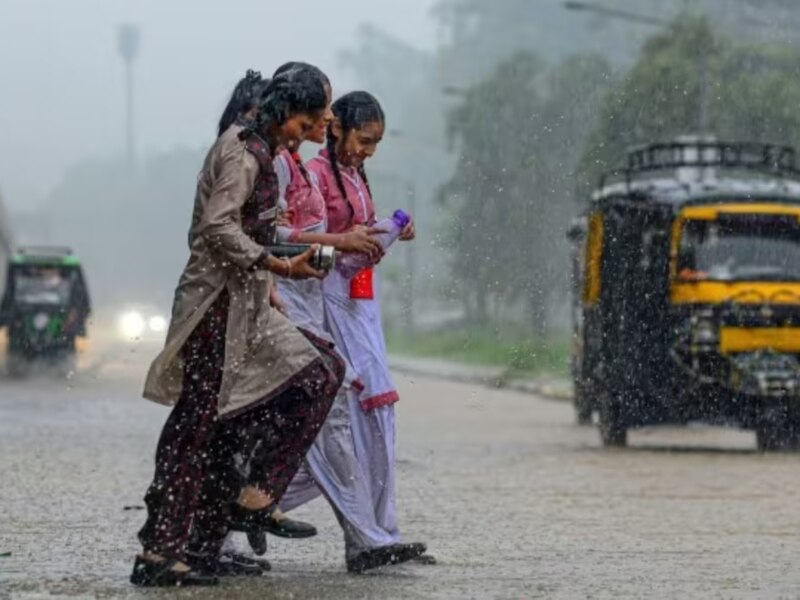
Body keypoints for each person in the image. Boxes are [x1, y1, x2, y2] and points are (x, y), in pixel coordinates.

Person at [131, 69, 344, 587]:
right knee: (197, 425)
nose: (308, 131)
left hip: (247, 305)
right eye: (305, 120)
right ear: (282, 110)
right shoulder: (243, 151)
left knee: (317, 373)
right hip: (213, 308)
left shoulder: (266, 151)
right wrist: (277, 267)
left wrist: (278, 268)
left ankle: (249, 502)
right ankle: (161, 551)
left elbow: (254, 227)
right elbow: (216, 227)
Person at [307, 91, 434, 571]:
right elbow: (303, 241)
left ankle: (381, 532)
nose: (368, 151)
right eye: (364, 140)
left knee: (377, 419)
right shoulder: (314, 176)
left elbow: (358, 235)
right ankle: (367, 536)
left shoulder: (356, 175)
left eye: (376, 143)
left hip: (361, 303)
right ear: (335, 126)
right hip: (326, 303)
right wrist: (347, 243)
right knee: (342, 421)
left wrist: (389, 229)